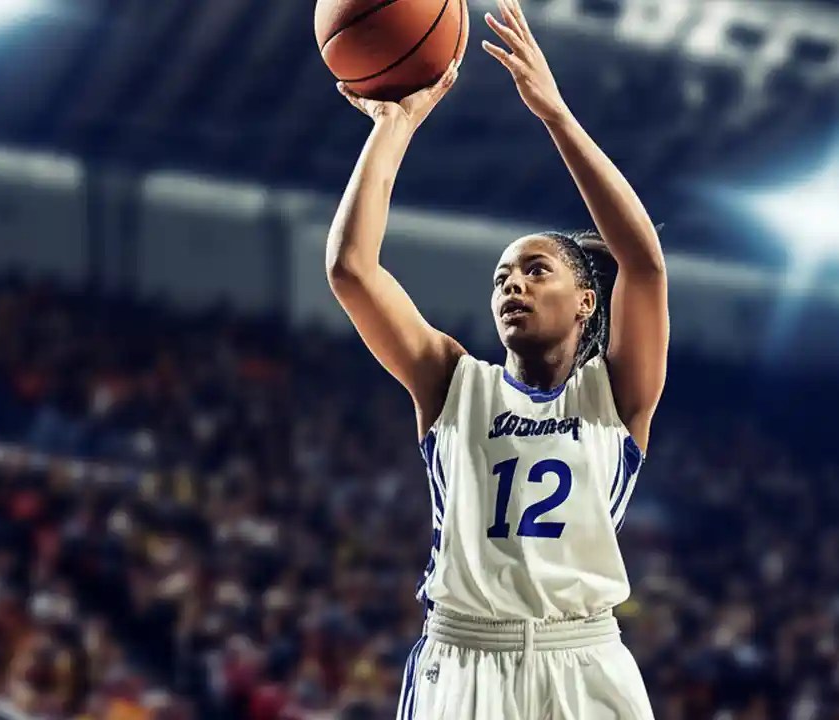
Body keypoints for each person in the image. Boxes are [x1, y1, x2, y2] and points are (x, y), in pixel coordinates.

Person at [325, 0, 668, 716]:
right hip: (465, 659)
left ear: (587, 301)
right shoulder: (453, 382)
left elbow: (644, 263)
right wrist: (394, 125)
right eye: (501, 277)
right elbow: (351, 269)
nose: (513, 284)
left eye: (537, 270)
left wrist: (556, 116)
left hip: (585, 660)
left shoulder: (616, 396)